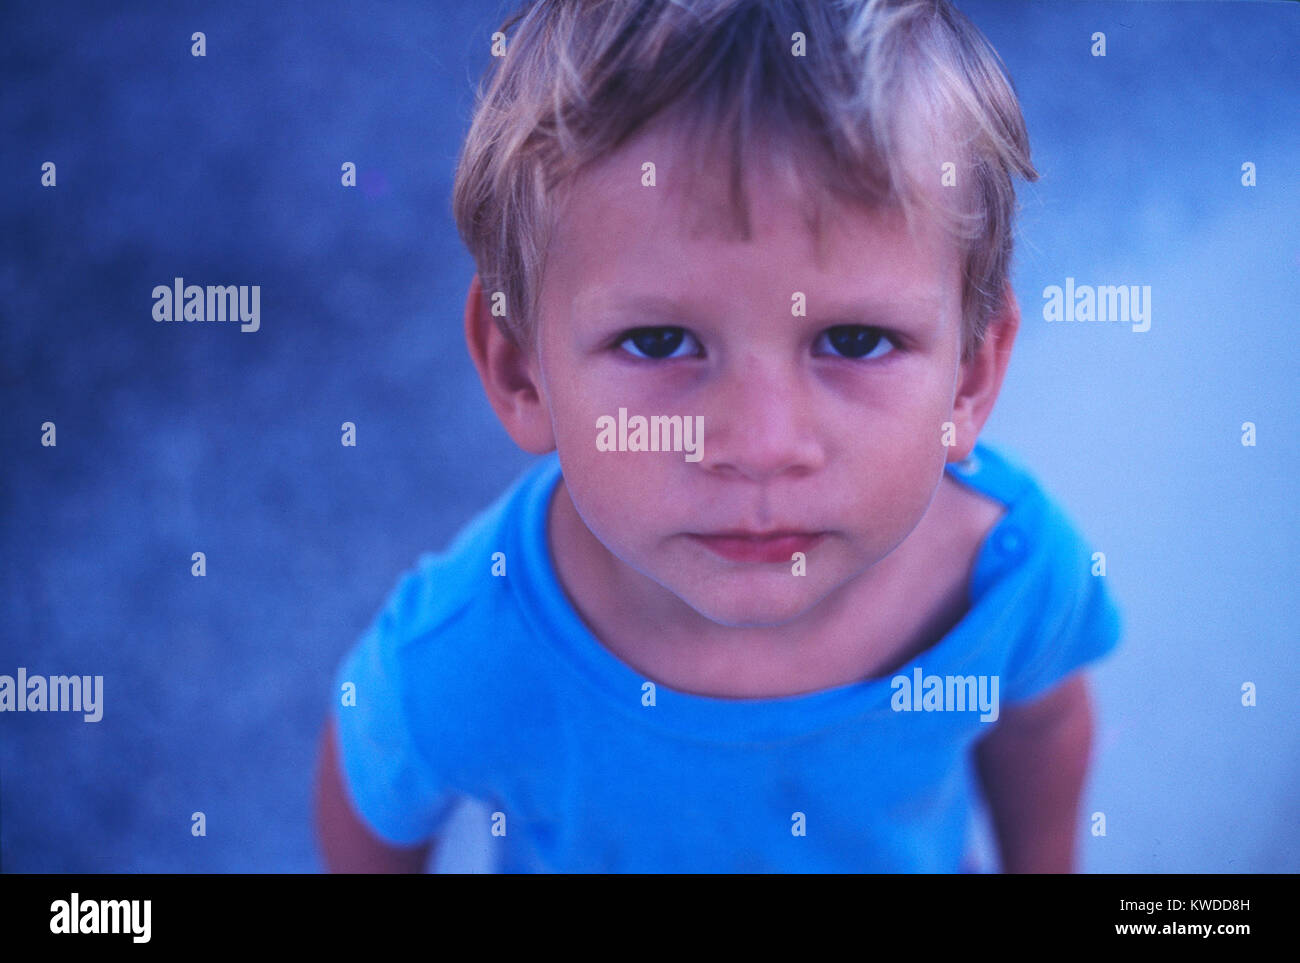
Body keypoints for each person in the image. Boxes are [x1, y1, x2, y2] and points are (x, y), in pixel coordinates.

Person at [316, 0, 1121, 873]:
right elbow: (371, 790)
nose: (762, 444)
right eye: (661, 342)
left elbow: (1043, 725)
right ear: (521, 370)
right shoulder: (473, 648)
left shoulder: (1007, 575)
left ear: (968, 375)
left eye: (853, 341)